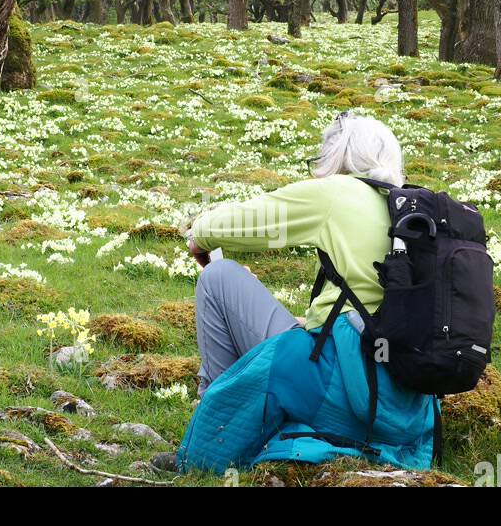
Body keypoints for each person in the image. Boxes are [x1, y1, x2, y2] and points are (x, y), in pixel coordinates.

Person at [176, 113, 437, 474]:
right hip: (407, 408)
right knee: (305, 333)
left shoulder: (338, 193)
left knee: (219, 277)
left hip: (345, 392)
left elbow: (249, 223)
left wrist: (199, 235)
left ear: (340, 153)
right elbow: (374, 308)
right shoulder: (412, 210)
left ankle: (218, 425)